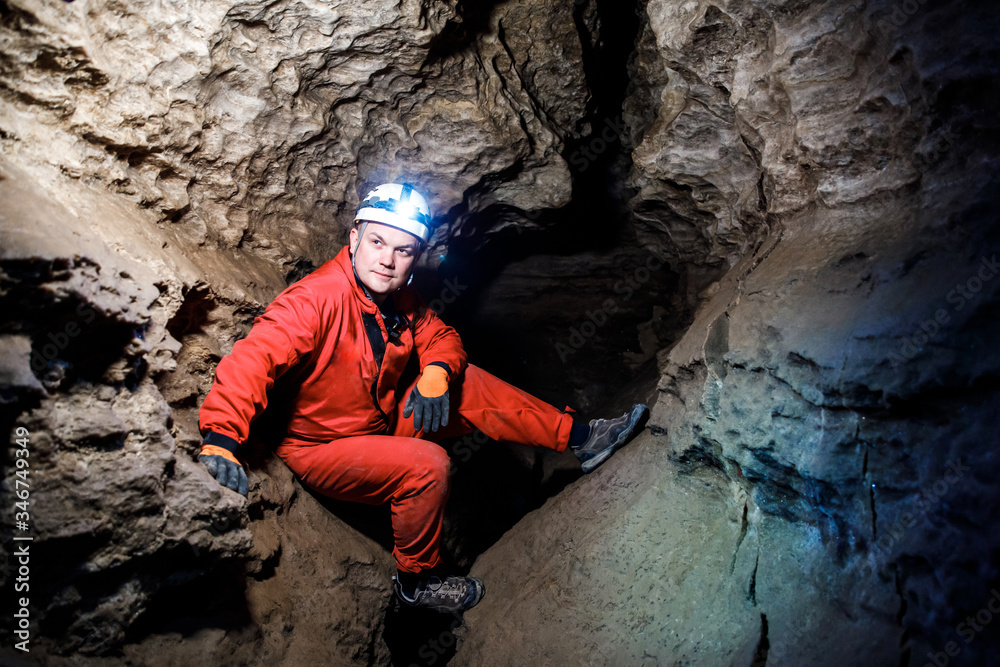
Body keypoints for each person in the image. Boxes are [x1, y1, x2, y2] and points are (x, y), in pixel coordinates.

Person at [197, 183, 649, 613]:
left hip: (378, 420)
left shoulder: (397, 297)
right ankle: (417, 583)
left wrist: (435, 373)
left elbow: (441, 337)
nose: (387, 260)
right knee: (427, 464)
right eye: (378, 242)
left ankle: (581, 439)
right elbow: (253, 360)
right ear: (354, 238)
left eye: (404, 250)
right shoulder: (314, 300)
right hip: (323, 448)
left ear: (416, 257)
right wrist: (221, 436)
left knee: (465, 381)